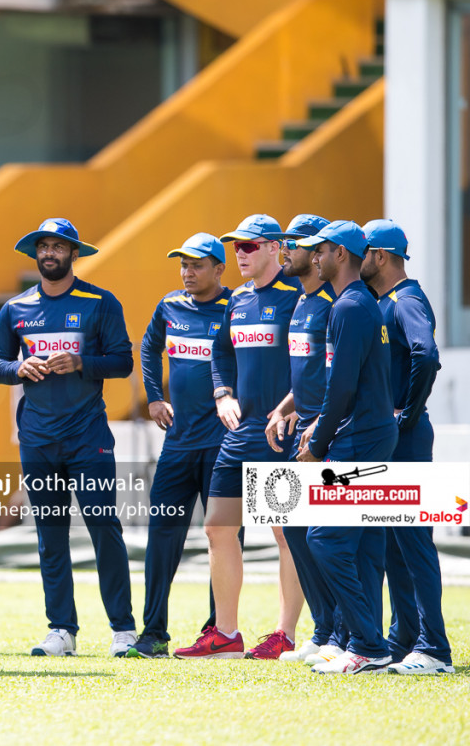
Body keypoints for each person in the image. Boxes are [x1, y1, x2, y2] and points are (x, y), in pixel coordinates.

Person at [0, 217, 136, 658]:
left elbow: (123, 362)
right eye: (43, 246)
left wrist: (82, 362)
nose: (49, 253)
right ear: (36, 254)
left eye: (58, 246)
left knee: (103, 529)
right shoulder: (14, 308)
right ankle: (61, 631)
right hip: (37, 439)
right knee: (49, 535)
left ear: (75, 253)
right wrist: (19, 368)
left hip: (88, 437)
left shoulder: (100, 302)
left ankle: (123, 630)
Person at [174, 214, 302, 660]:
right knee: (216, 528)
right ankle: (225, 634)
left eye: (249, 246)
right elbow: (219, 353)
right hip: (240, 433)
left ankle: (284, 635)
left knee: (285, 532)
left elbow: (314, 364)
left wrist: (292, 406)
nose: (240, 254)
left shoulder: (297, 297)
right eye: (236, 247)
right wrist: (222, 393)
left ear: (272, 247)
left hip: (282, 435)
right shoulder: (239, 299)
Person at [295, 220, 397, 675]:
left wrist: (318, 442)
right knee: (363, 546)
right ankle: (360, 642)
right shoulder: (355, 304)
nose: (312, 257)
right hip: (367, 433)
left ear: (339, 254)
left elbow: (341, 387)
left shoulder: (350, 307)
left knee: (325, 540)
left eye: (319, 250)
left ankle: (368, 646)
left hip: (360, 439)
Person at [128, 233, 231, 659]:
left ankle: (217, 629)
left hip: (224, 445)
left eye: (197, 265)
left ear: (219, 269)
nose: (187, 272)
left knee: (222, 538)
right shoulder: (170, 305)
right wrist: (154, 396)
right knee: (162, 536)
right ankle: (153, 633)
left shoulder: (235, 308)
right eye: (183, 265)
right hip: (178, 443)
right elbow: (148, 349)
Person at [361, 219, 452, 675]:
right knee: (395, 545)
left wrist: (405, 414)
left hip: (408, 438)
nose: (354, 258)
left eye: (362, 251)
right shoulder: (385, 301)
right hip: (395, 437)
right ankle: (404, 640)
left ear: (380, 256)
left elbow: (426, 354)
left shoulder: (406, 299)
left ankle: (434, 648)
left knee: (413, 542)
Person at [263, 214, 342, 664]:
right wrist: (284, 408)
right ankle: (324, 626)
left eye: (293, 243)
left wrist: (320, 423)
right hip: (304, 431)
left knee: (328, 538)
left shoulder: (334, 302)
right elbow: (307, 374)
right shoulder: (302, 301)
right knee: (292, 526)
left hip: (331, 435)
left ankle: (344, 633)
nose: (285, 250)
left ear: (318, 253)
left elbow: (342, 376)